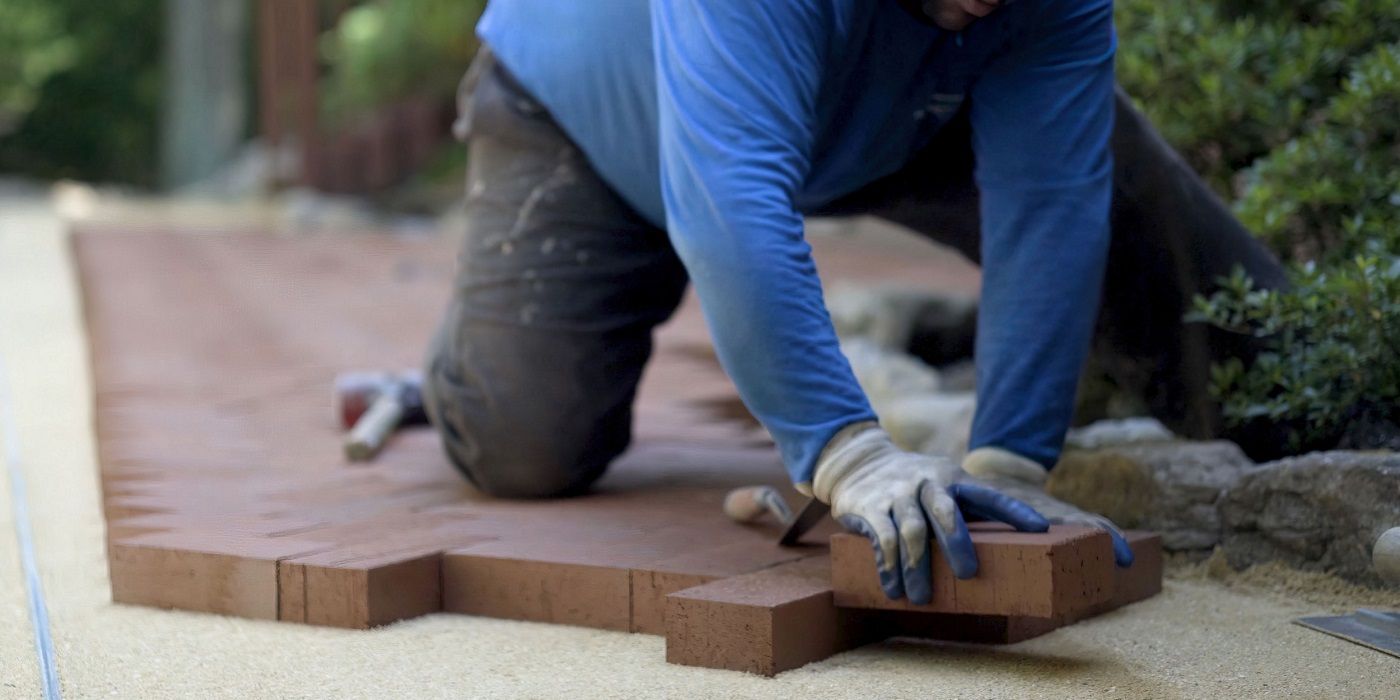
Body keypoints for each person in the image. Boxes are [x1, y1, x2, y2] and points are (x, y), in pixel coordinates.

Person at [422, 0, 1286, 604]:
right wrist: (852, 456)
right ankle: (452, 367)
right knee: (525, 444)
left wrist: (1012, 465)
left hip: (890, 111)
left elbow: (1051, 199)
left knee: (1125, 185)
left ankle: (1345, 411)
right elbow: (734, 198)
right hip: (594, 117)